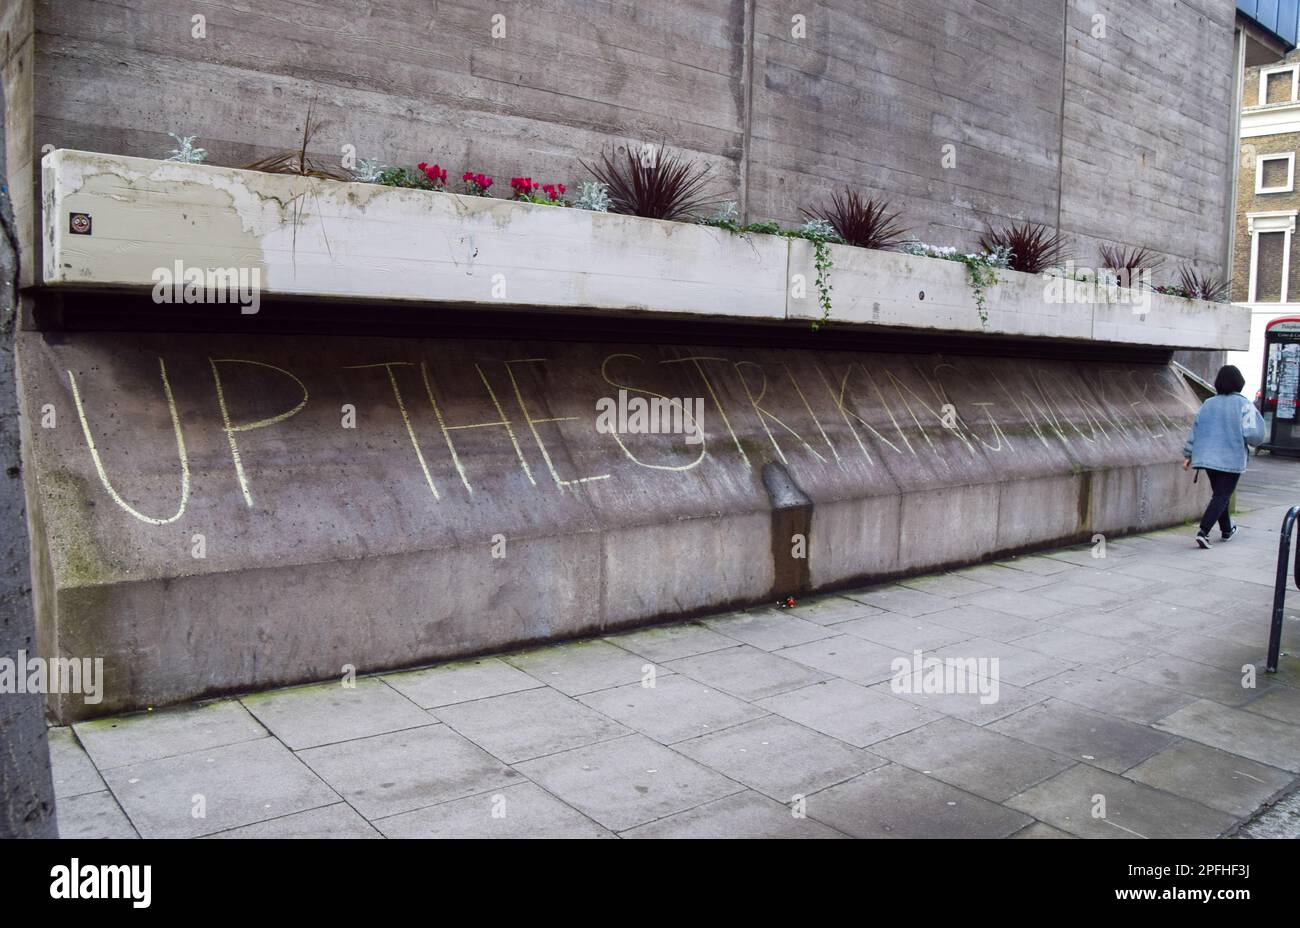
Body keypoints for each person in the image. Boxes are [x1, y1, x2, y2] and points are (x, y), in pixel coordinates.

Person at [1182, 364, 1267, 548]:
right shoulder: (1244, 404)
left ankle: (1227, 530)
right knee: (1221, 495)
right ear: (1239, 382)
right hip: (1231, 458)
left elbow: (1195, 430)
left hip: (1207, 459)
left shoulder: (1208, 404)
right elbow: (1254, 435)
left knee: (1220, 495)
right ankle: (1203, 531)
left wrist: (1188, 454)